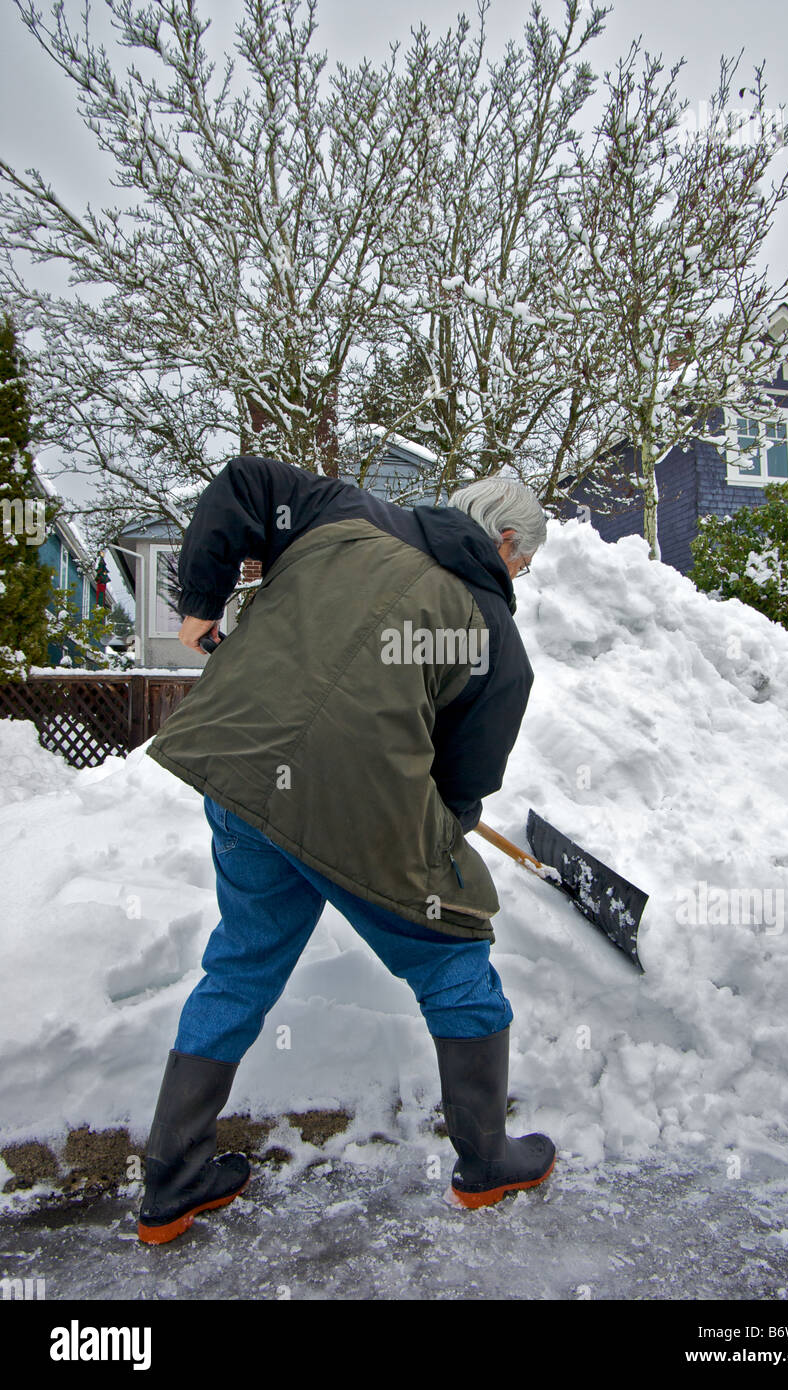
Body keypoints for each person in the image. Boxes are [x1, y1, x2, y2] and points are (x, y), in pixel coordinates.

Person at [138, 456, 554, 1244]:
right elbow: (461, 793)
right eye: (522, 561)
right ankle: (486, 1158)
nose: (519, 576)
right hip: (353, 809)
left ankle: (173, 1178)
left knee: (241, 964)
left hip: (239, 770)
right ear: (502, 540)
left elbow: (244, 482)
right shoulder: (498, 641)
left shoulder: (338, 508)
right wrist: (429, 858)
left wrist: (198, 602)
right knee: (453, 949)